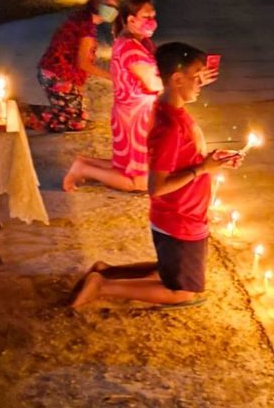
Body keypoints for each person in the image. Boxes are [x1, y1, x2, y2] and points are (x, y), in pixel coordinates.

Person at [69, 41, 240, 309]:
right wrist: (202, 169)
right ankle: (102, 286)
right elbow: (157, 187)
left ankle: (106, 271)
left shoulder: (169, 110)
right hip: (180, 218)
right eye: (197, 77)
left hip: (182, 216)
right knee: (182, 292)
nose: (201, 84)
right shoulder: (171, 126)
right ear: (177, 79)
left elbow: (182, 157)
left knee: (168, 270)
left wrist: (211, 160)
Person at [62, 0, 163, 192]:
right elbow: (153, 83)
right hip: (135, 120)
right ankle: (84, 169)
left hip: (129, 114)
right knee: (139, 182)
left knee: (127, 167)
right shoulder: (131, 49)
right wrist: (181, 82)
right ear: (131, 19)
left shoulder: (131, 41)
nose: (151, 20)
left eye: (153, 16)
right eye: (146, 16)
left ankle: (83, 162)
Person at [36, 0, 120, 131]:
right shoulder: (85, 26)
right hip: (55, 74)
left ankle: (48, 111)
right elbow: (83, 63)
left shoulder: (85, 19)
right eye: (107, 5)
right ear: (97, 3)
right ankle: (30, 118)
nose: (111, 11)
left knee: (80, 114)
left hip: (58, 73)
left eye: (114, 7)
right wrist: (112, 76)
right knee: (77, 122)